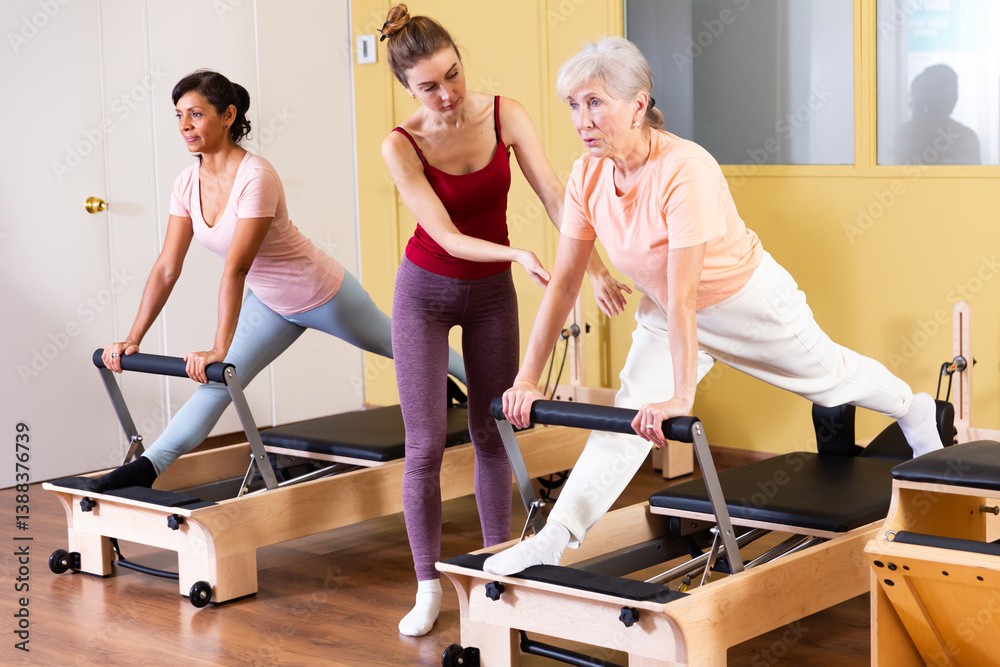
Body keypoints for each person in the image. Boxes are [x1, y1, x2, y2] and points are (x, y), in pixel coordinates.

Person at [482, 37, 945, 577]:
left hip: (744, 301)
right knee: (625, 424)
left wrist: (681, 396)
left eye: (595, 102)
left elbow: (686, 291)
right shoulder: (588, 176)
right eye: (573, 105)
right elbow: (563, 285)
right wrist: (527, 380)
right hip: (667, 312)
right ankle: (554, 537)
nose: (582, 119)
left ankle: (913, 409)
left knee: (831, 381)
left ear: (637, 105)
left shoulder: (685, 168)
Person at [87, 69, 467, 493]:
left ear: (228, 115)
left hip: (322, 294)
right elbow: (166, 267)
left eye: (196, 114)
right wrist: (132, 338)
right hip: (269, 303)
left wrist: (218, 346)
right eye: (179, 116)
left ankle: (491, 389)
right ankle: (149, 466)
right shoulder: (185, 183)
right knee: (219, 381)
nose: (185, 126)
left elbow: (236, 267)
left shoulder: (256, 176)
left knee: (404, 347)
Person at [378, 5, 628, 637]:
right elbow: (443, 233)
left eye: (452, 75)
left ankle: (495, 570)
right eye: (429, 87)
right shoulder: (401, 145)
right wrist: (516, 254)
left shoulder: (504, 113)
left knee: (495, 433)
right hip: (425, 294)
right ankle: (428, 584)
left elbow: (553, 195)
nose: (447, 94)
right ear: (407, 90)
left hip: (490, 298)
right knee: (426, 447)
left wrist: (595, 270)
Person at [894, 64, 980, 166]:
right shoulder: (965, 134)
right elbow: (975, 179)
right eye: (953, 91)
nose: (956, 97)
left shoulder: (906, 132)